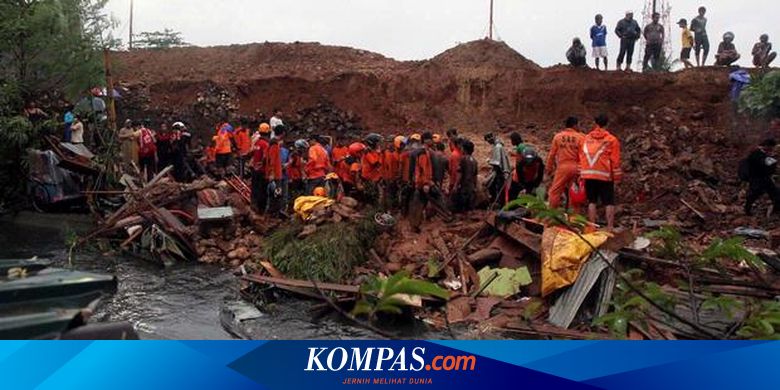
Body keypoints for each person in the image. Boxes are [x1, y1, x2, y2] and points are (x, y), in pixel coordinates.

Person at [579, 114, 622, 231]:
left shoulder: (586, 139)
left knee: (592, 201)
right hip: (604, 175)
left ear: (595, 123)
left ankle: (592, 226)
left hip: (588, 174)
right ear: (607, 124)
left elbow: (581, 155)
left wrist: (581, 173)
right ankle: (609, 227)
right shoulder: (612, 140)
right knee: (609, 202)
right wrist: (617, 178)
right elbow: (615, 161)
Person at [547, 116, 586, 209]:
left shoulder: (558, 137)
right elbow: (583, 156)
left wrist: (549, 168)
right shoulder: (581, 137)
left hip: (562, 168)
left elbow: (552, 154)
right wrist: (583, 171)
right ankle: (574, 217)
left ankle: (552, 213)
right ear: (575, 125)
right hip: (576, 167)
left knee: (555, 191)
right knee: (574, 192)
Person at [744, 139, 780, 216]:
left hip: (765, 178)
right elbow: (761, 165)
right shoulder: (756, 154)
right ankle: (747, 209)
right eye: (771, 147)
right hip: (757, 178)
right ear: (767, 146)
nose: (772, 149)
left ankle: (776, 210)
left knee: (775, 193)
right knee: (754, 194)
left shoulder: (763, 154)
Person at [451, 139, 478, 212]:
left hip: (464, 187)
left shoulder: (463, 159)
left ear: (465, 149)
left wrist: (455, 186)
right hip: (471, 187)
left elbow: (460, 174)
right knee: (469, 209)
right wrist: (475, 187)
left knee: (462, 209)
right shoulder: (474, 161)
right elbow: (475, 175)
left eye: (462, 148)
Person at [485, 133, 511, 206]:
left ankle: (499, 204)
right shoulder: (498, 146)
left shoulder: (497, 147)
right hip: (501, 170)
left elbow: (497, 163)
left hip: (500, 172)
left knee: (496, 187)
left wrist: (489, 162)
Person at [251, 123, 271, 212]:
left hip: (255, 170)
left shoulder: (257, 142)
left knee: (255, 189)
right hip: (262, 171)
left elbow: (252, 153)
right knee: (263, 191)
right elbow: (266, 157)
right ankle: (261, 210)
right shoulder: (266, 144)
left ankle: (254, 206)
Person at [266, 125, 285, 216]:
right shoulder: (274, 144)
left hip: (276, 172)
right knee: (276, 193)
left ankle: (275, 211)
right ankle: (274, 212)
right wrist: (272, 173)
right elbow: (272, 159)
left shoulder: (274, 143)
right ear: (283, 133)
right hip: (275, 174)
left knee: (275, 193)